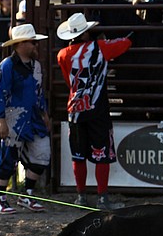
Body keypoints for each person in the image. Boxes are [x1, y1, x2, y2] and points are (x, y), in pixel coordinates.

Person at [55, 12, 132, 211]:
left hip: (75, 109)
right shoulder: (101, 47)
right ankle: (102, 198)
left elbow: (68, 81)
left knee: (78, 155)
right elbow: (125, 43)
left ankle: (81, 196)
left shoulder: (62, 54)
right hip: (98, 109)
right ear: (86, 32)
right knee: (102, 153)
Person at [0, 23, 51, 215]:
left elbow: (39, 93)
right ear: (21, 44)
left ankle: (27, 194)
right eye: (32, 42)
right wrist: (1, 120)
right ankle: (0, 199)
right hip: (12, 117)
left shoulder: (36, 66)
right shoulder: (7, 66)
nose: (35, 45)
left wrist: (44, 114)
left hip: (33, 117)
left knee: (42, 154)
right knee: (8, 158)